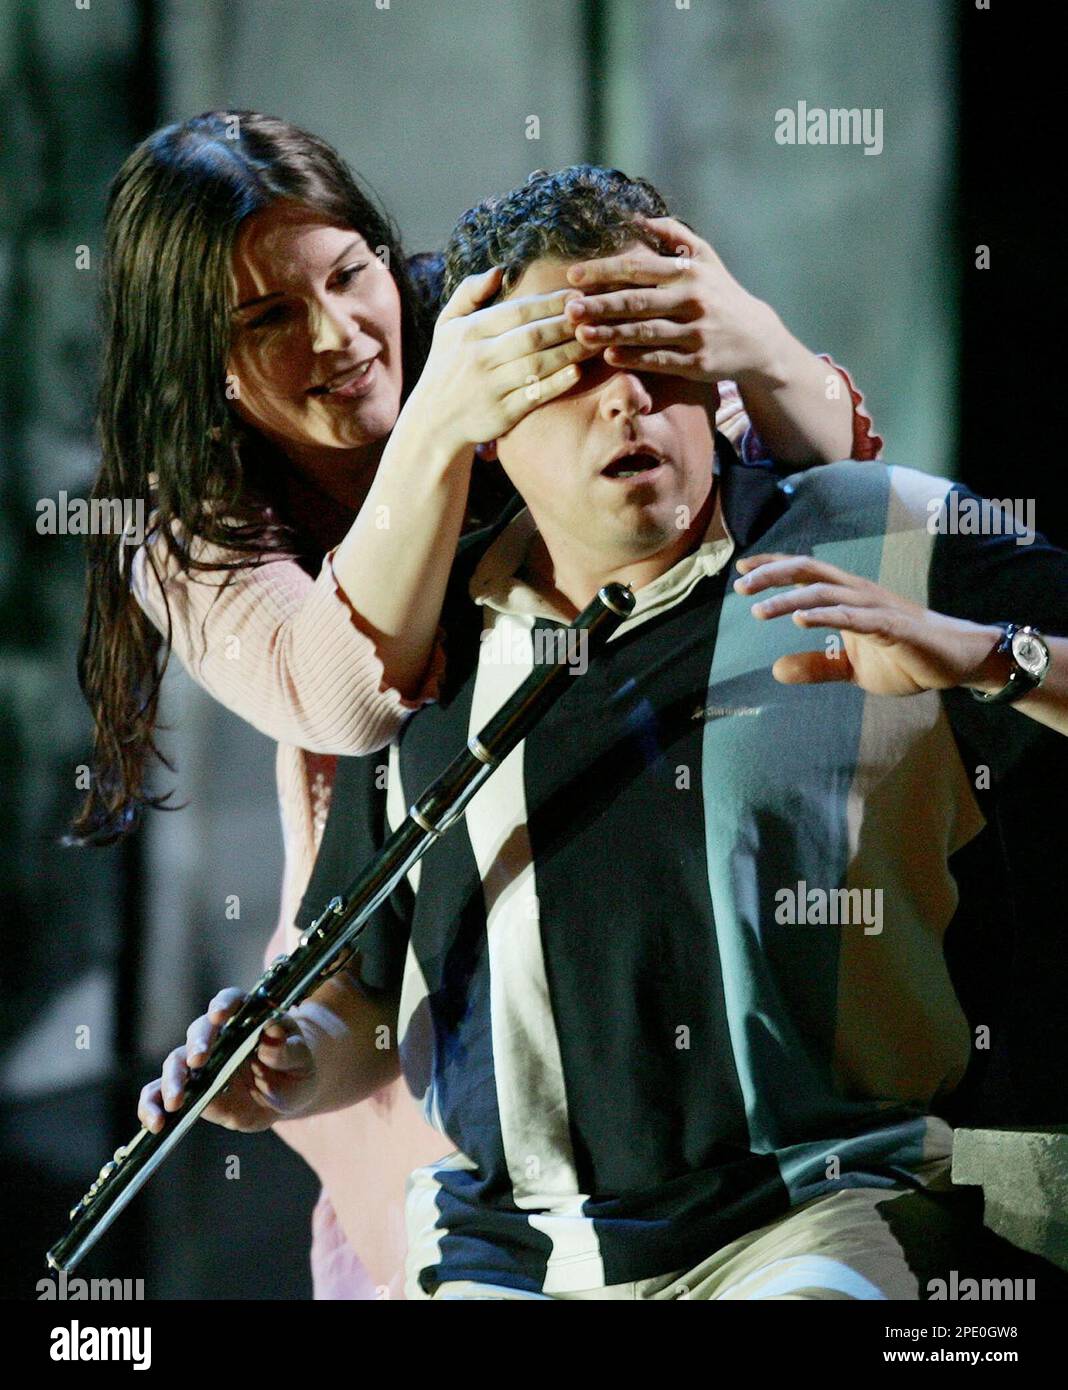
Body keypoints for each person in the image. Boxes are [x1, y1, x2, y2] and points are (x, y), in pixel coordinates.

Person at [101, 127, 878, 1298]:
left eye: (351, 274)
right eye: (265, 319)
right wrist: (446, 423)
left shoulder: (478, 318)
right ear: (197, 355)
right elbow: (342, 698)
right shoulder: (187, 528)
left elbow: (831, 480)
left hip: (625, 838)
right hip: (415, 916)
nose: (340, 336)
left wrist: (758, 345)